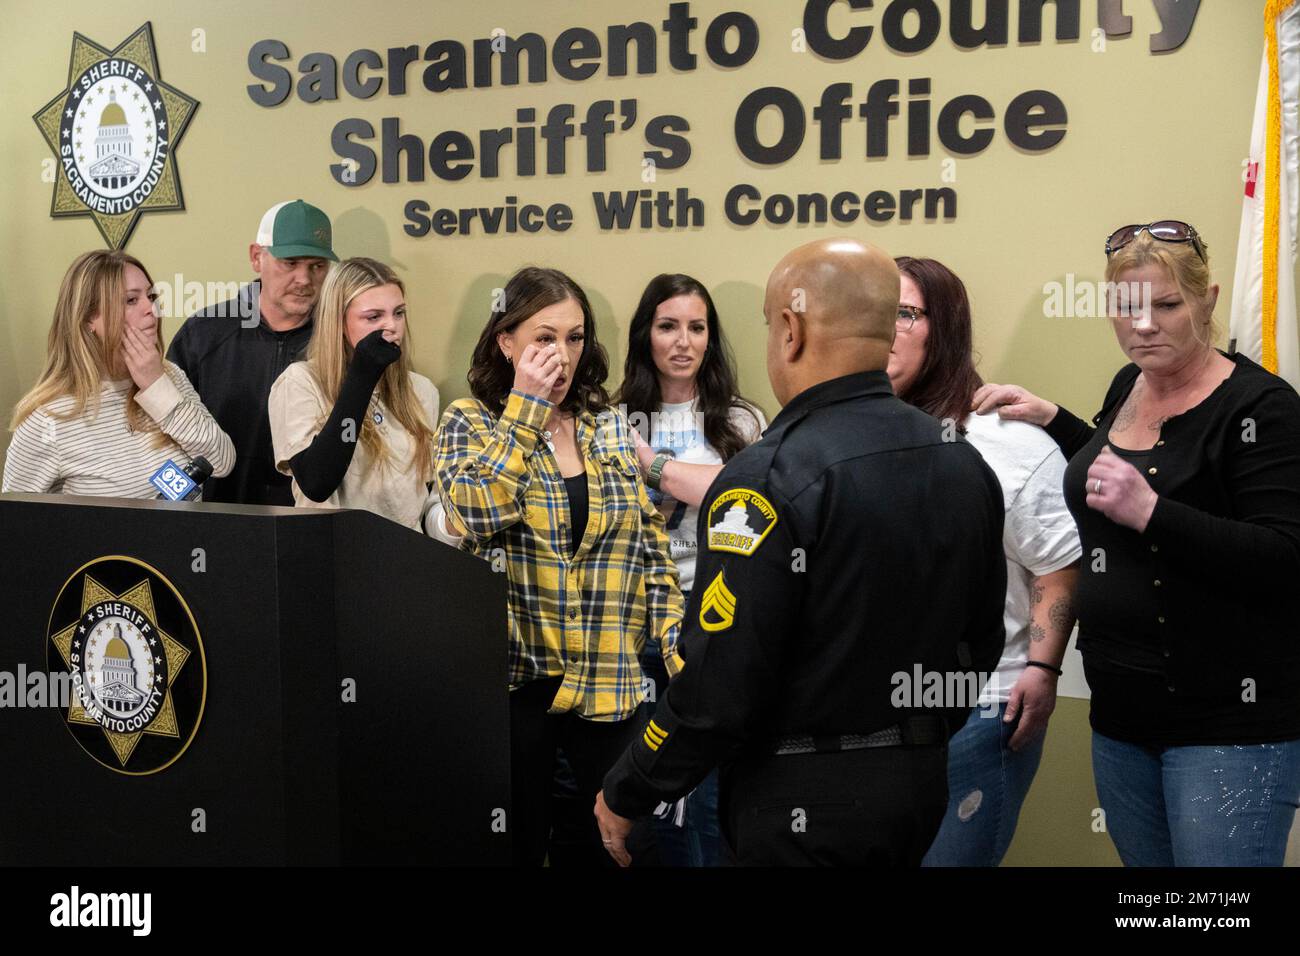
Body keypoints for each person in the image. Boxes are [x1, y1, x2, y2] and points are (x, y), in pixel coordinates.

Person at [595, 239, 1007, 866]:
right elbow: (980, 641)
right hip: (917, 787)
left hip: (799, 800)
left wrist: (628, 789)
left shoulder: (768, 476)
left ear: (790, 330)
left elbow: (717, 686)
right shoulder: (961, 460)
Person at [972, 221, 1300, 866]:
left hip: (1229, 725)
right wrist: (1055, 420)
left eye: (1167, 305)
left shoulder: (1261, 408)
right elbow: (1114, 475)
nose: (1144, 325)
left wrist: (1154, 513)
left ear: (1207, 301)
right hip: (1121, 717)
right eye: (1126, 307)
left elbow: (1285, 557)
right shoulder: (1130, 385)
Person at [434, 266, 685, 867]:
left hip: (606, 679)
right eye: (544, 338)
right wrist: (524, 409)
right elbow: (476, 513)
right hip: (515, 680)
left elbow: (650, 552)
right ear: (506, 342)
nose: (561, 355)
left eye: (574, 338)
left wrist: (681, 653)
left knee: (621, 844)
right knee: (512, 844)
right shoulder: (470, 421)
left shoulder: (606, 428)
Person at [886, 257, 1081, 867]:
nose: (883, 328)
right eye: (872, 311)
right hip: (867, 716)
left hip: (979, 708)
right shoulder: (848, 436)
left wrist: (1043, 668)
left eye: (904, 314)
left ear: (941, 328)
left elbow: (1060, 567)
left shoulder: (1009, 442)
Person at [615, 273, 766, 867]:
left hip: (715, 622)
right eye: (668, 326)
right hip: (638, 624)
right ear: (645, 336)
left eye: (697, 328)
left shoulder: (741, 422)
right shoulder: (615, 419)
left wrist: (655, 470)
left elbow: (747, 506)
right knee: (646, 794)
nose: (684, 342)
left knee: (707, 798)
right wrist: (680, 483)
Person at [4, 250, 233, 496]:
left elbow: (221, 462)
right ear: (88, 318)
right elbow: (15, 523)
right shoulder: (48, 421)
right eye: (131, 300)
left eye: (151, 296)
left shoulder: (170, 376)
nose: (151, 309)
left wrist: (156, 387)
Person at [167, 199, 337, 505]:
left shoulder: (340, 340)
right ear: (257, 257)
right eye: (290, 262)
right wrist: (169, 508)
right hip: (215, 524)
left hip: (309, 528)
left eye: (317, 266)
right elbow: (163, 434)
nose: (304, 279)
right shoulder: (204, 332)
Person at [268, 258, 438, 530]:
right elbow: (316, 483)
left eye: (398, 313)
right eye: (373, 317)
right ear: (339, 322)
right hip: (333, 553)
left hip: (405, 555)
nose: (391, 326)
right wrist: (362, 377)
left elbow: (424, 495)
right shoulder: (299, 382)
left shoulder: (421, 390)